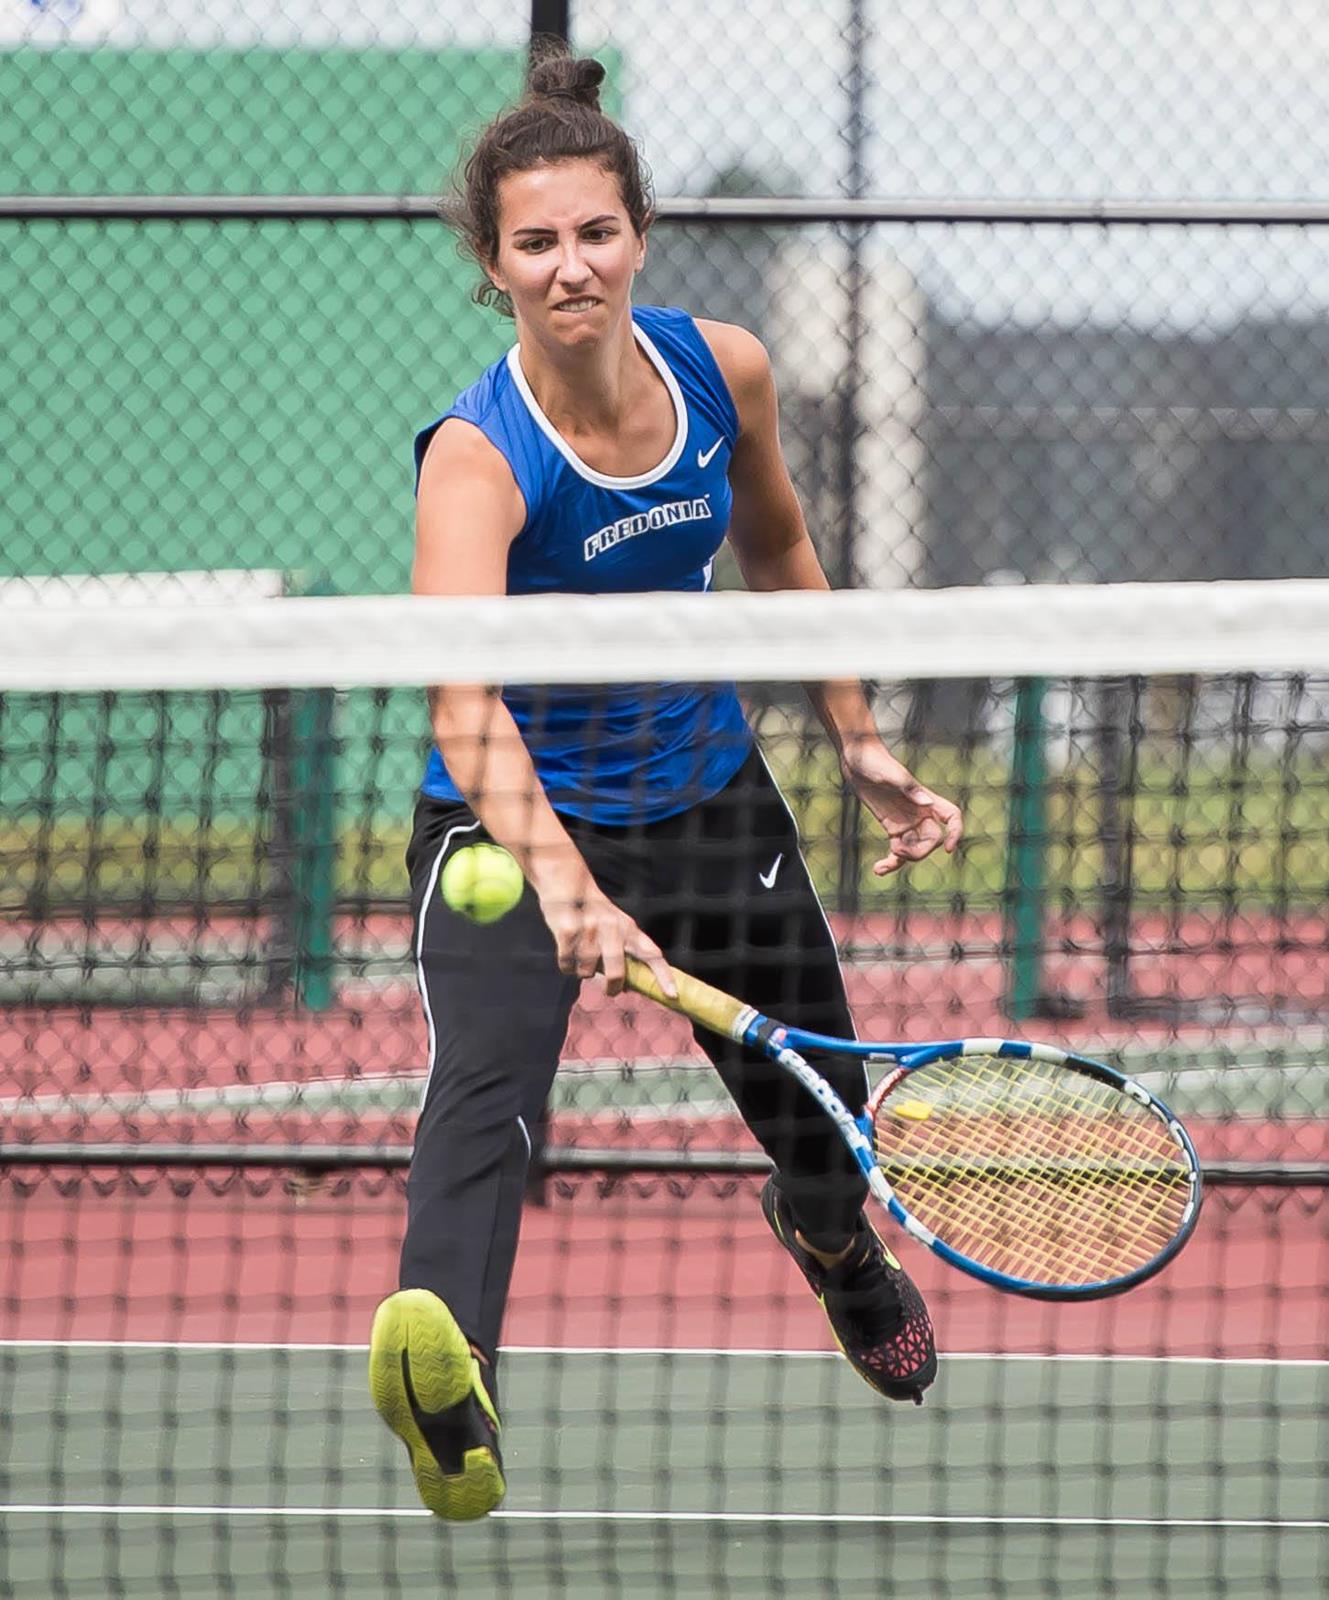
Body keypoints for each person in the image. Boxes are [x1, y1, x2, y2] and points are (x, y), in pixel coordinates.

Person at [368, 46, 963, 1522]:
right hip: (508, 822)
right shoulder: (477, 460)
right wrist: (567, 890)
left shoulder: (721, 369)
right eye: (535, 243)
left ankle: (832, 1240)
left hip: (705, 801)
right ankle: (453, 1379)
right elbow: (463, 703)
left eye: (595, 232)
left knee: (823, 1120)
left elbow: (778, 545)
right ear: (492, 265)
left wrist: (856, 734)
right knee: (485, 1090)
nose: (570, 266)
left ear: (638, 234)